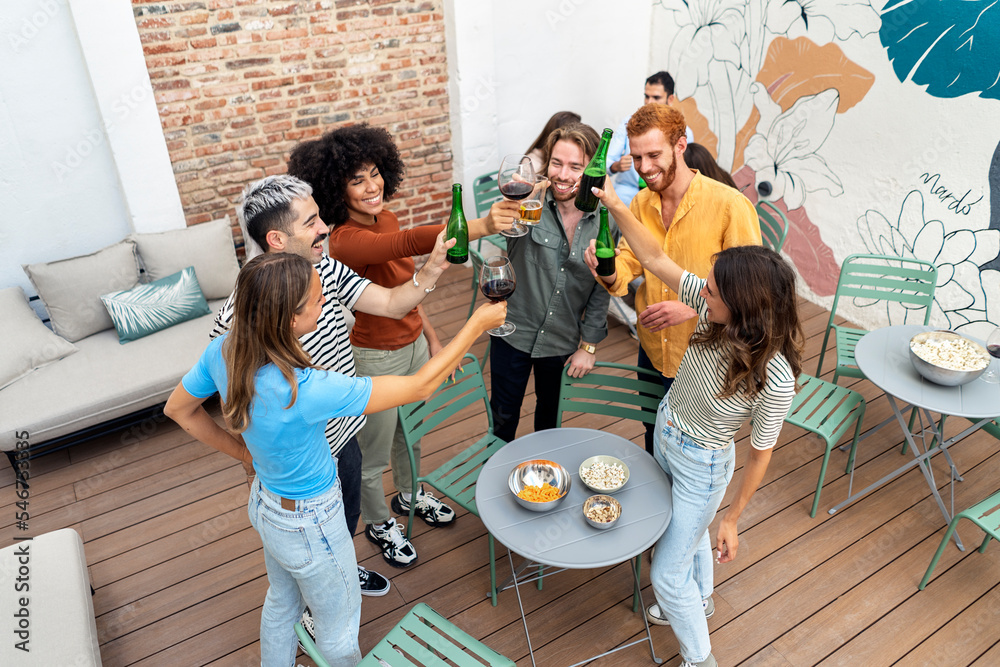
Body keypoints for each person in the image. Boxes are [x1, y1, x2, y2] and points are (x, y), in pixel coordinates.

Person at [166, 253, 506, 667]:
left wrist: (244, 453)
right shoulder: (306, 388)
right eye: (317, 298)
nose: (325, 300)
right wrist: (477, 324)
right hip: (312, 525)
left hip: (267, 505)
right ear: (291, 319)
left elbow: (177, 409)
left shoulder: (224, 350)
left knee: (282, 603)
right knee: (339, 632)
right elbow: (420, 386)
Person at [210, 174, 462, 594]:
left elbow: (389, 303)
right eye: (311, 222)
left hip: (344, 435)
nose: (325, 228)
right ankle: (319, 604)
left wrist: (432, 267)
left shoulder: (322, 266)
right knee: (309, 548)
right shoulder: (241, 313)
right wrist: (246, 457)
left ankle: (342, 568)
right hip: (301, 464)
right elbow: (232, 397)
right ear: (276, 239)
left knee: (345, 521)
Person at [586, 179, 802, 667]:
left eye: (712, 289)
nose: (701, 291)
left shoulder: (774, 375)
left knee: (665, 574)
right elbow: (654, 257)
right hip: (667, 432)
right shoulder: (712, 307)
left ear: (743, 305)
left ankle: (700, 659)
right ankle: (700, 599)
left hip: (701, 466)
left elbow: (761, 453)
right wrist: (615, 204)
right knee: (689, 536)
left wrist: (733, 517)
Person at [287, 124, 519, 568]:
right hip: (376, 357)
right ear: (336, 190)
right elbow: (406, 242)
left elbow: (408, 289)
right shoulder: (345, 240)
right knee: (374, 453)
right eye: (357, 180)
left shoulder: (386, 217)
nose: (371, 186)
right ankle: (378, 522)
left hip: (412, 345)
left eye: (375, 174)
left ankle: (410, 495)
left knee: (410, 436)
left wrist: (431, 337)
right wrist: (483, 225)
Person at [600, 103, 762, 455]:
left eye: (653, 155)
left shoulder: (730, 205)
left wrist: (693, 307)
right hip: (651, 348)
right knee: (651, 432)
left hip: (705, 355)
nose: (644, 168)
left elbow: (753, 291)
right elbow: (628, 265)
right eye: (637, 157)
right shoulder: (640, 203)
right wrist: (606, 268)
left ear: (680, 145)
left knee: (691, 449)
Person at [489, 122, 619, 442]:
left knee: (549, 421)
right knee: (503, 418)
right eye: (556, 163)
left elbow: (603, 287)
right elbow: (501, 226)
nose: (563, 175)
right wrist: (511, 204)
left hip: (562, 339)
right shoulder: (529, 203)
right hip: (514, 332)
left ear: (592, 170)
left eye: (575, 167)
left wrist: (589, 345)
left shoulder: (607, 219)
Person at [607, 71, 694, 207]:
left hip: (664, 195)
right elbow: (605, 162)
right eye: (646, 96)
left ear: (670, 99)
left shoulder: (685, 132)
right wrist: (616, 166)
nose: (649, 102)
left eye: (656, 97)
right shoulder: (628, 124)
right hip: (627, 193)